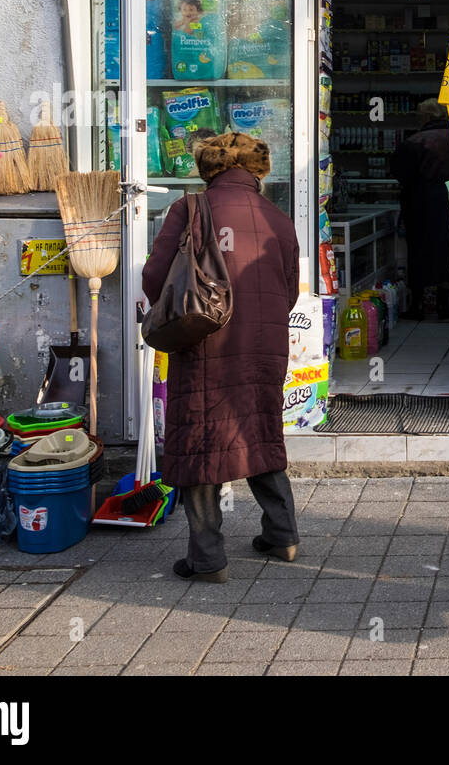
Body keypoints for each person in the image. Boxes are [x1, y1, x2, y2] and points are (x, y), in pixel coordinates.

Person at [142, 132, 301, 583]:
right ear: (257, 170)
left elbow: (156, 276)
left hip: (204, 340)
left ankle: (207, 558)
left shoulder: (190, 209)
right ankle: (283, 535)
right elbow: (287, 290)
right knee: (260, 433)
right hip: (264, 344)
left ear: (207, 168)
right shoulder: (278, 218)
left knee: (202, 442)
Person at [391, 98, 449, 319]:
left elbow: (399, 172)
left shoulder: (415, 141)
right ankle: (447, 305)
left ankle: (418, 306)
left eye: (420, 115)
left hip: (422, 204)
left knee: (420, 252)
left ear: (428, 117)